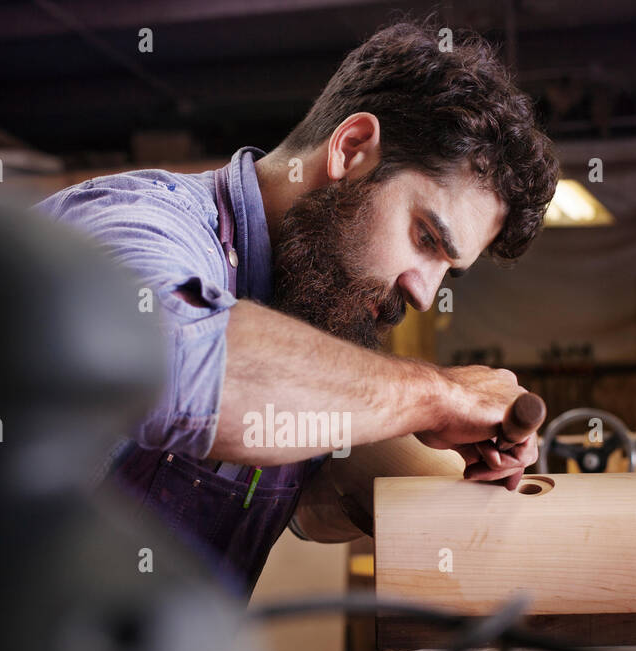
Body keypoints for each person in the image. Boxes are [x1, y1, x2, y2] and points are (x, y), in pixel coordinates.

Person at [36, 20, 559, 597]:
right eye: (426, 238)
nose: (423, 293)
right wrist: (438, 396)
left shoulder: (308, 303)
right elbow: (182, 367)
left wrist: (446, 480)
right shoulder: (139, 223)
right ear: (352, 149)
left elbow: (305, 512)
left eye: (448, 269)